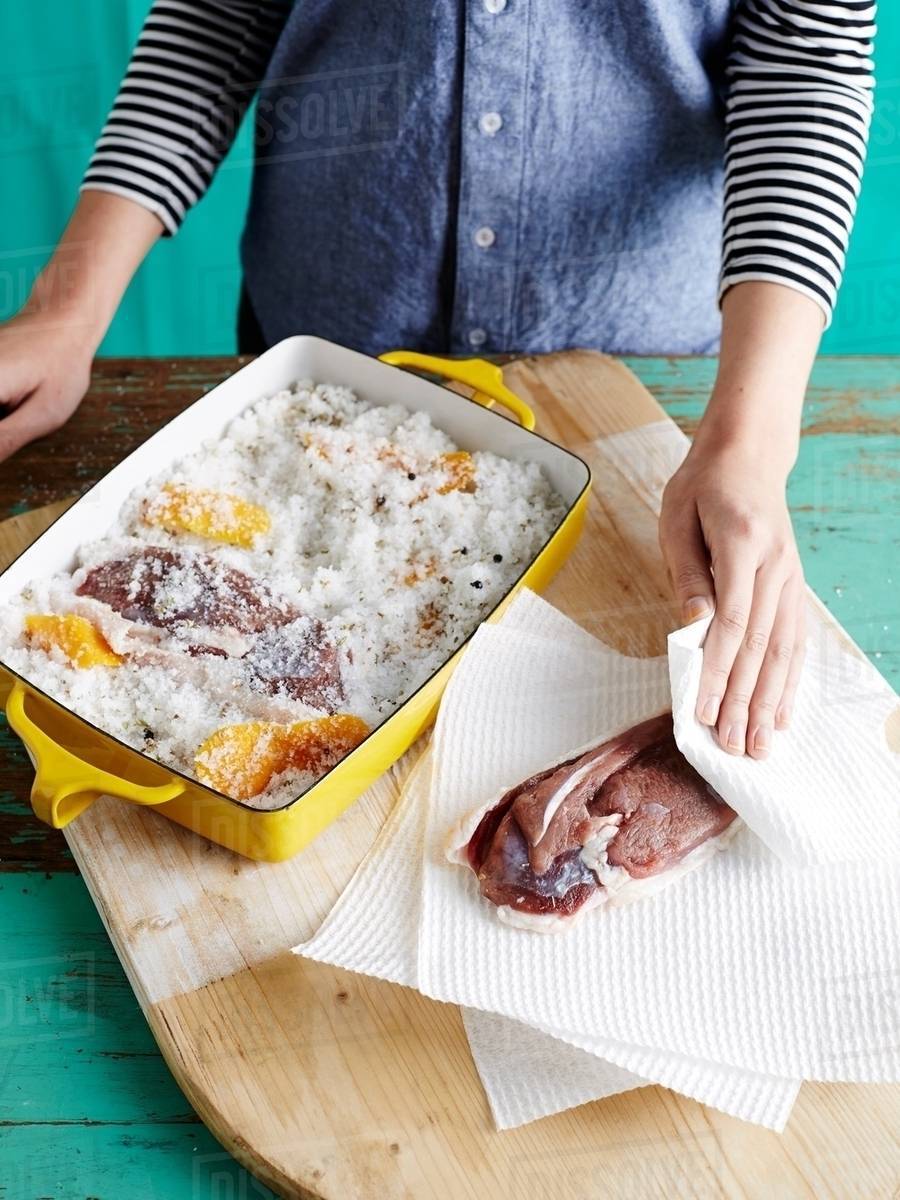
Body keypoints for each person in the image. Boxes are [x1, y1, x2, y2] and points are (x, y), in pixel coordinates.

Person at [0, 1, 876, 761]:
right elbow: (215, 20)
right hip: (314, 365)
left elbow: (805, 56)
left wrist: (751, 443)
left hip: (643, 374)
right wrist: (65, 312)